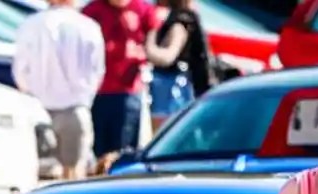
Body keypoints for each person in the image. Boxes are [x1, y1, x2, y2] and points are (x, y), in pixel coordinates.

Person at [13, 0, 105, 181]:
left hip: (38, 109)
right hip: (75, 108)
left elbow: (20, 70)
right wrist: (85, 97)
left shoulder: (31, 25)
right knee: (75, 175)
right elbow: (97, 69)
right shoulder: (88, 26)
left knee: (39, 176)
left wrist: (30, 95)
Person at [82, 0, 159, 158]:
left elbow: (153, 44)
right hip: (97, 91)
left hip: (129, 91)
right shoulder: (92, 11)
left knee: (124, 151)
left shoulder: (143, 10)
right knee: (98, 150)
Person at [147, 0, 213, 134]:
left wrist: (146, 46)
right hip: (174, 84)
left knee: (162, 133)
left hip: (170, 84)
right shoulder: (182, 18)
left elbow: (168, 57)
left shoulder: (180, 22)